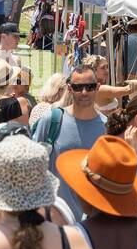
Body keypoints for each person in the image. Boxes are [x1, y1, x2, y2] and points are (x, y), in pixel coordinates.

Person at [32, 61, 106, 221]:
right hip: (55, 219)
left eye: (90, 86)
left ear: (98, 86)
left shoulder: (107, 128)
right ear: (70, 88)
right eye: (78, 87)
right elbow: (34, 166)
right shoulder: (52, 120)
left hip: (94, 224)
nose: (84, 92)